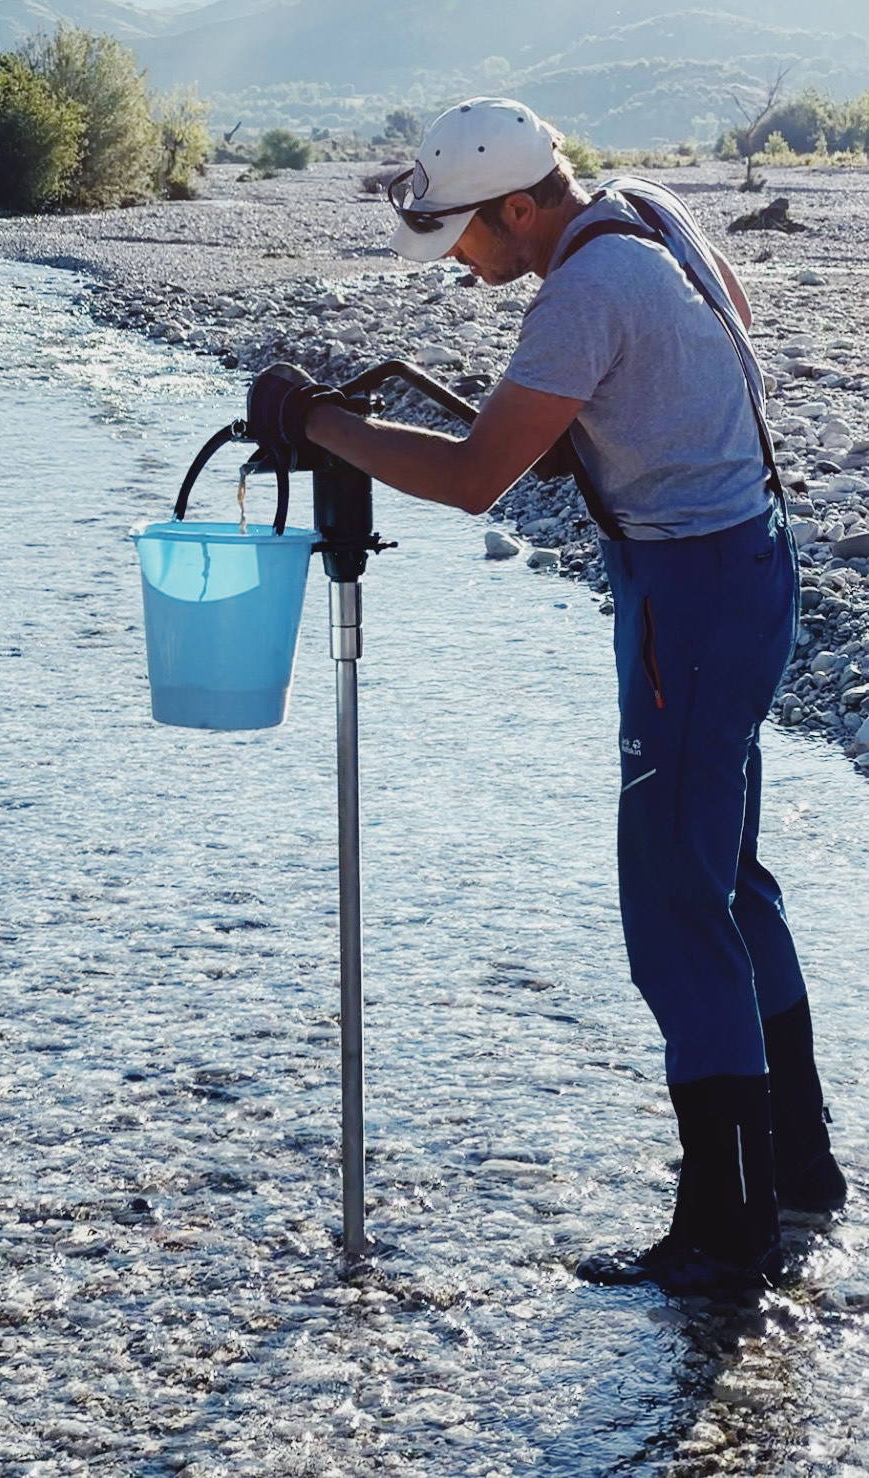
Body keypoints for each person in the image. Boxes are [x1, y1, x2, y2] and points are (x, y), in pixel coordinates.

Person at [247, 96, 846, 1297]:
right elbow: (695, 350)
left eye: (464, 235)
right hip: (743, 562)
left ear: (519, 207)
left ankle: (726, 1235)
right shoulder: (644, 213)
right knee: (728, 875)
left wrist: (323, 422)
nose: (460, 261)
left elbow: (475, 481)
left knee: (676, 899)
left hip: (689, 588)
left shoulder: (582, 292)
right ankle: (799, 1168)